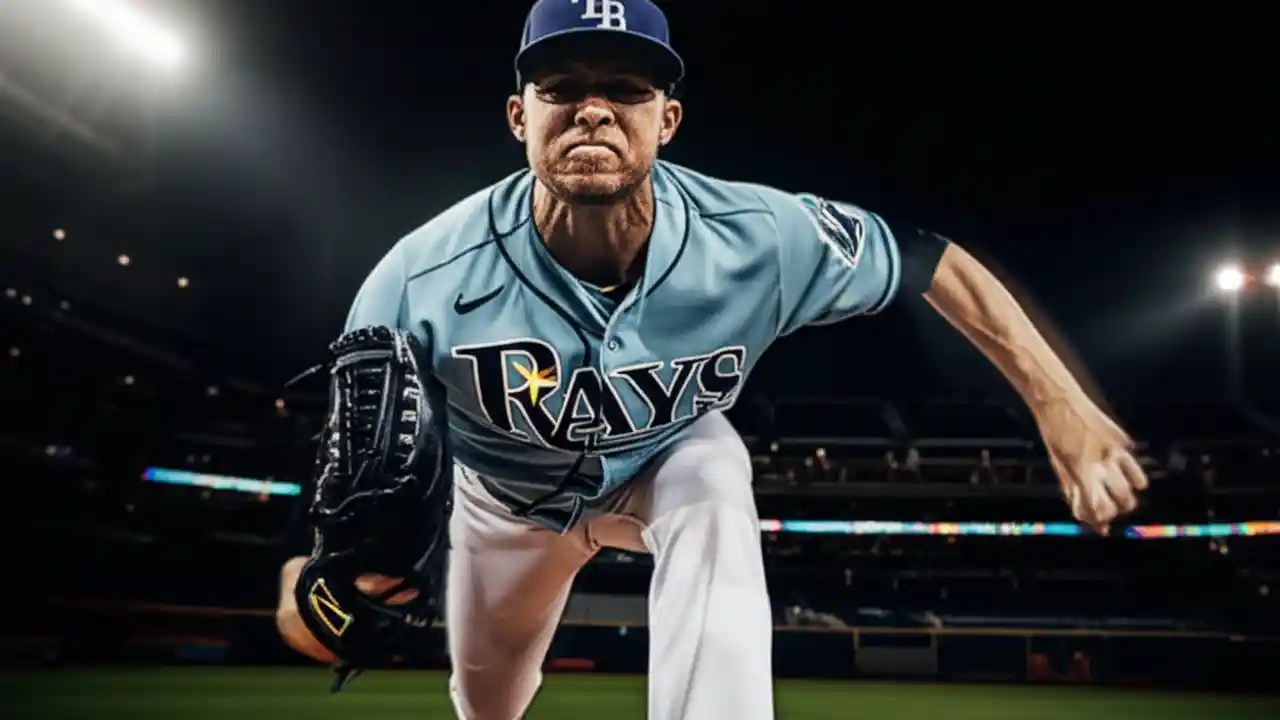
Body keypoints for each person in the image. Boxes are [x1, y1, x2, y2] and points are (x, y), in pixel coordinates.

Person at [275, 1, 1149, 718]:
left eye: (624, 87)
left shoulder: (760, 237)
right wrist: (308, 576)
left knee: (713, 476)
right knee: (485, 702)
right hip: (502, 506)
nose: (592, 109)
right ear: (519, 117)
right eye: (562, 87)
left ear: (668, 119)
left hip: (664, 459)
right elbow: (345, 476)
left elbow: (931, 261)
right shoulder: (417, 277)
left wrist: (1059, 405)